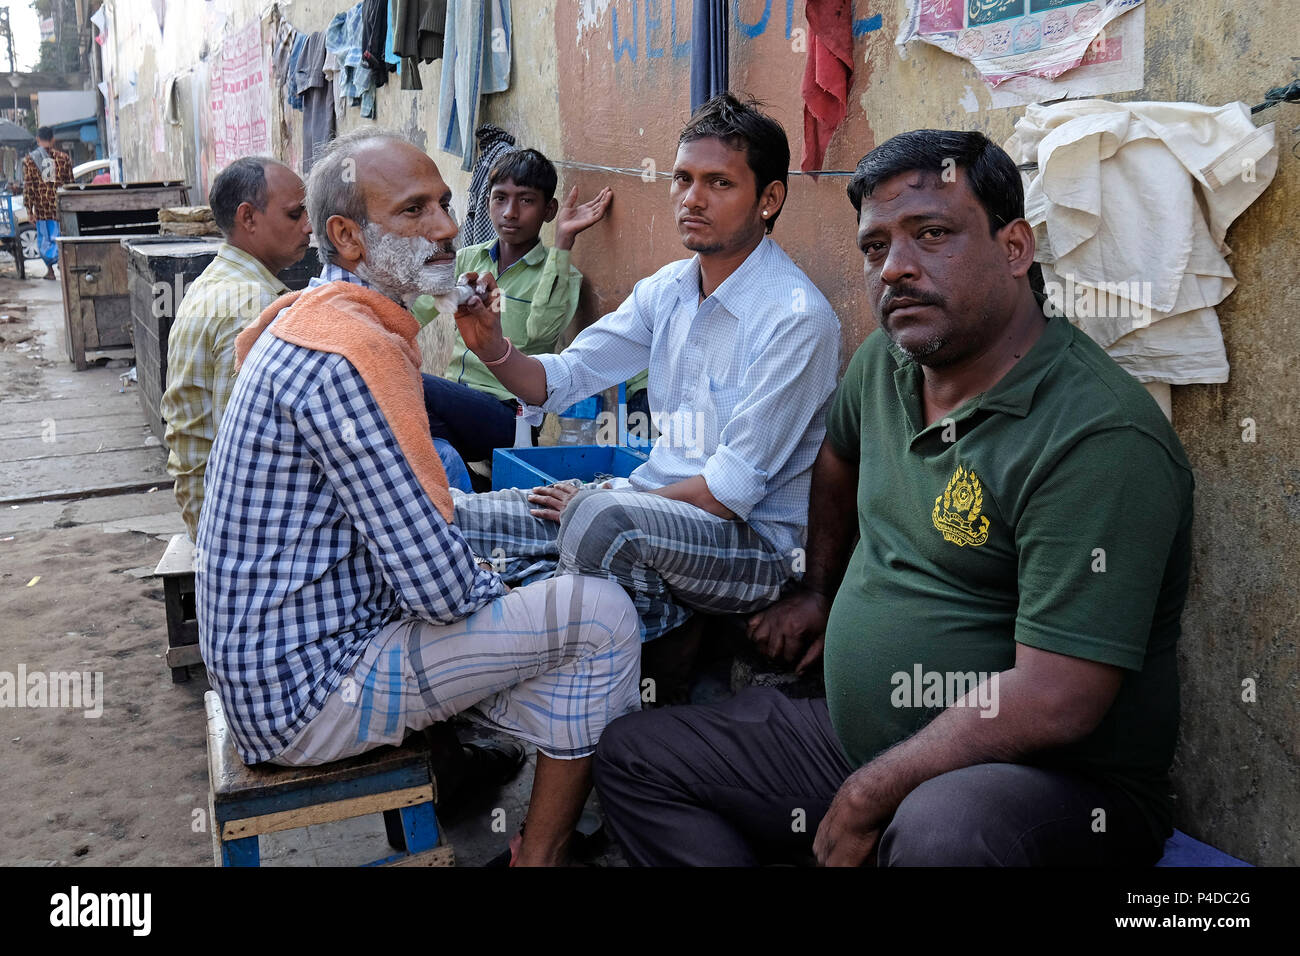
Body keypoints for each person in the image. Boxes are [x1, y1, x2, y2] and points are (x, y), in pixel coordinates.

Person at [593, 129, 1194, 867]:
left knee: (944, 833)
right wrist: (819, 588)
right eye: (875, 248)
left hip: (1040, 786)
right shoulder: (890, 359)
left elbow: (1057, 696)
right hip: (859, 742)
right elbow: (836, 459)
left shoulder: (1096, 438)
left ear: (1014, 249)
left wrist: (870, 793)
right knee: (633, 756)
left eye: (932, 234)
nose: (896, 269)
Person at [197, 128, 640, 867]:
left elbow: (418, 519)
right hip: (304, 697)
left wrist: (512, 548)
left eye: (442, 202)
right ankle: (544, 854)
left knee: (555, 627)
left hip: (285, 660)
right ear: (347, 236)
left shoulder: (332, 318)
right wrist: (521, 576)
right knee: (603, 617)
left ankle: (531, 822)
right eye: (412, 211)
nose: (444, 227)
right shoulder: (345, 358)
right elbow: (439, 588)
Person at [451, 93, 841, 643]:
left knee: (594, 522)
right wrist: (493, 346)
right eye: (683, 179)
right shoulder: (669, 290)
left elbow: (727, 494)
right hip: (646, 504)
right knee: (457, 516)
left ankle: (652, 646)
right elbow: (562, 380)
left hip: (752, 548)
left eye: (719, 183)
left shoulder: (797, 319)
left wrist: (600, 501)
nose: (693, 199)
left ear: (769, 198)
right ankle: (552, 615)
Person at [411, 147, 612, 465]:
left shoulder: (561, 275)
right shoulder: (466, 259)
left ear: (549, 210)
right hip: (457, 403)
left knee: (414, 385)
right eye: (500, 198)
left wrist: (563, 244)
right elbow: (413, 314)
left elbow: (538, 335)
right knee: (398, 407)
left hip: (509, 416)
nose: (510, 212)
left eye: (526, 200)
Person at [160, 157, 312, 540]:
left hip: (209, 506)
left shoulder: (216, 279)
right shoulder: (252, 305)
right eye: (295, 214)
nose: (309, 226)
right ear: (248, 218)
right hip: (233, 527)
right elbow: (249, 454)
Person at [21, 126, 73, 280]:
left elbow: (29, 186)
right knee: (62, 238)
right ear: (53, 139)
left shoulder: (30, 160)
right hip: (61, 208)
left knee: (45, 240)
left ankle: (50, 271)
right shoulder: (64, 158)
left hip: (43, 210)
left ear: (38, 139)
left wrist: (29, 210)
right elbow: (71, 183)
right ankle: (62, 264)